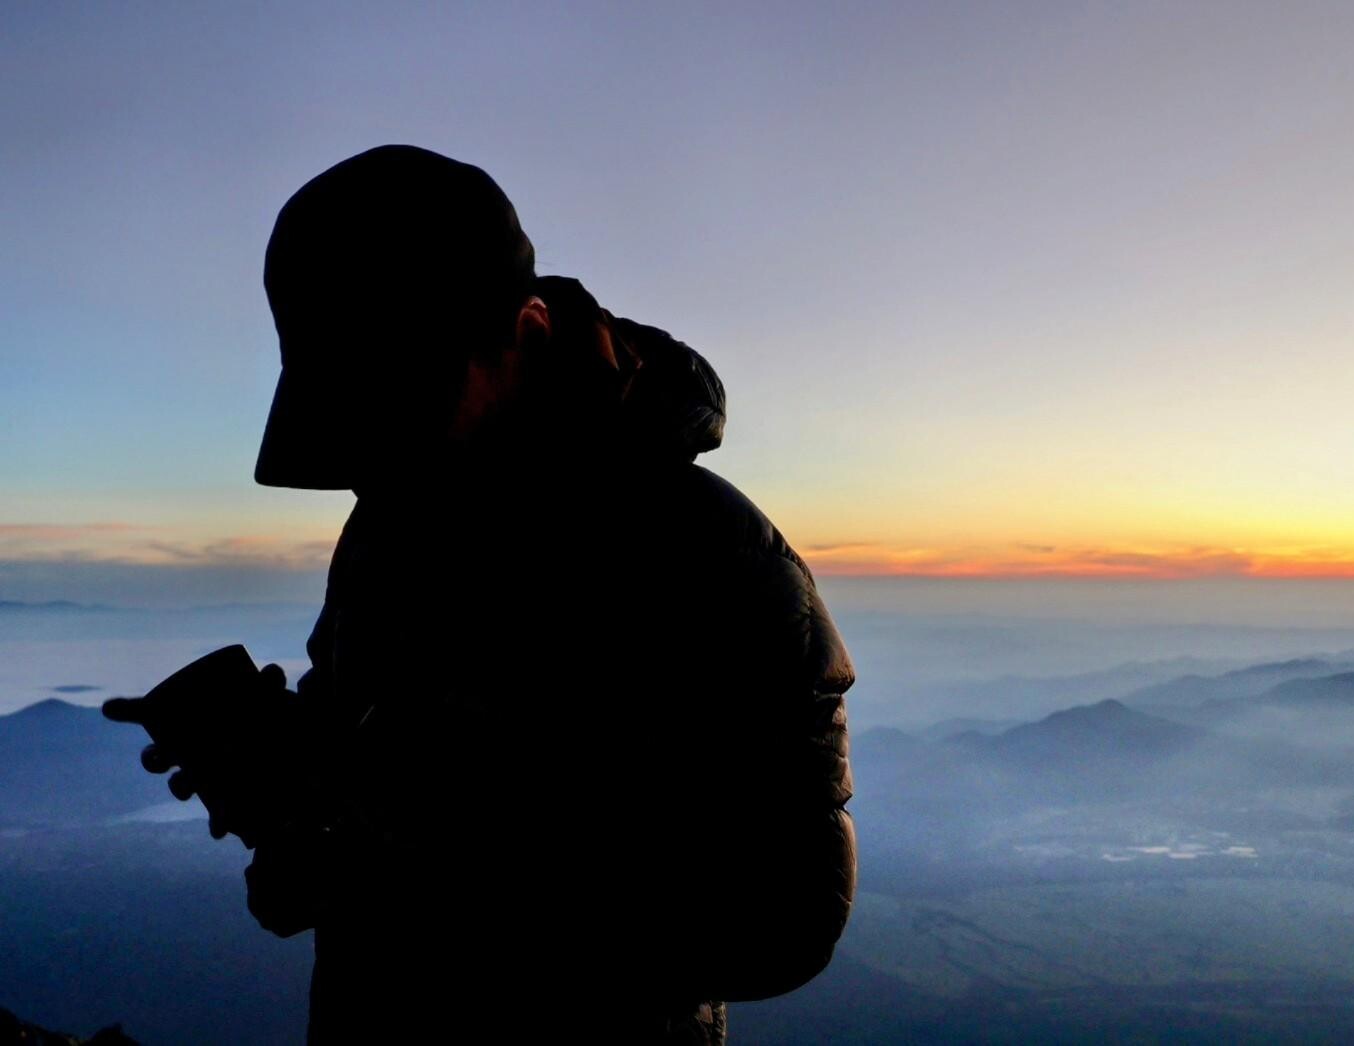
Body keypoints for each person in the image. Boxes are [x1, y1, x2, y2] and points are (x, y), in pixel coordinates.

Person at [116, 145, 857, 1043]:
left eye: (401, 398)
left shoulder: (709, 557)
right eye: (351, 412)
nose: (377, 453)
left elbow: (788, 919)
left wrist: (420, 858)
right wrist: (285, 787)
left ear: (529, 335)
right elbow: (370, 739)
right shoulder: (393, 521)